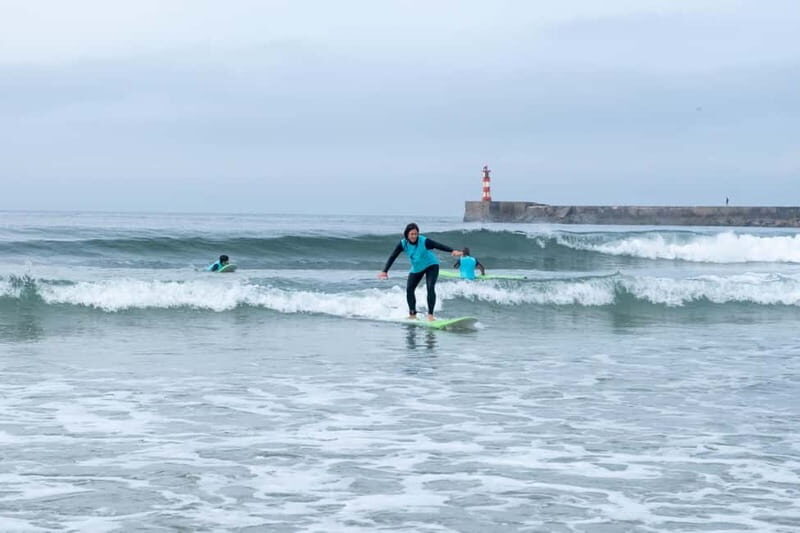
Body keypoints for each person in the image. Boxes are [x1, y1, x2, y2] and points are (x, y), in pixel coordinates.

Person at [378, 223, 462, 321]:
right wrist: (385, 271)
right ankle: (412, 314)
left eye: (416, 234)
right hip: (417, 268)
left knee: (430, 287)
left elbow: (438, 245)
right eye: (412, 234)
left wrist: (452, 250)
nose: (414, 236)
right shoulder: (403, 244)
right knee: (409, 289)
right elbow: (393, 256)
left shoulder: (424, 241)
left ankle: (430, 316)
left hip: (431, 265)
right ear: (407, 234)